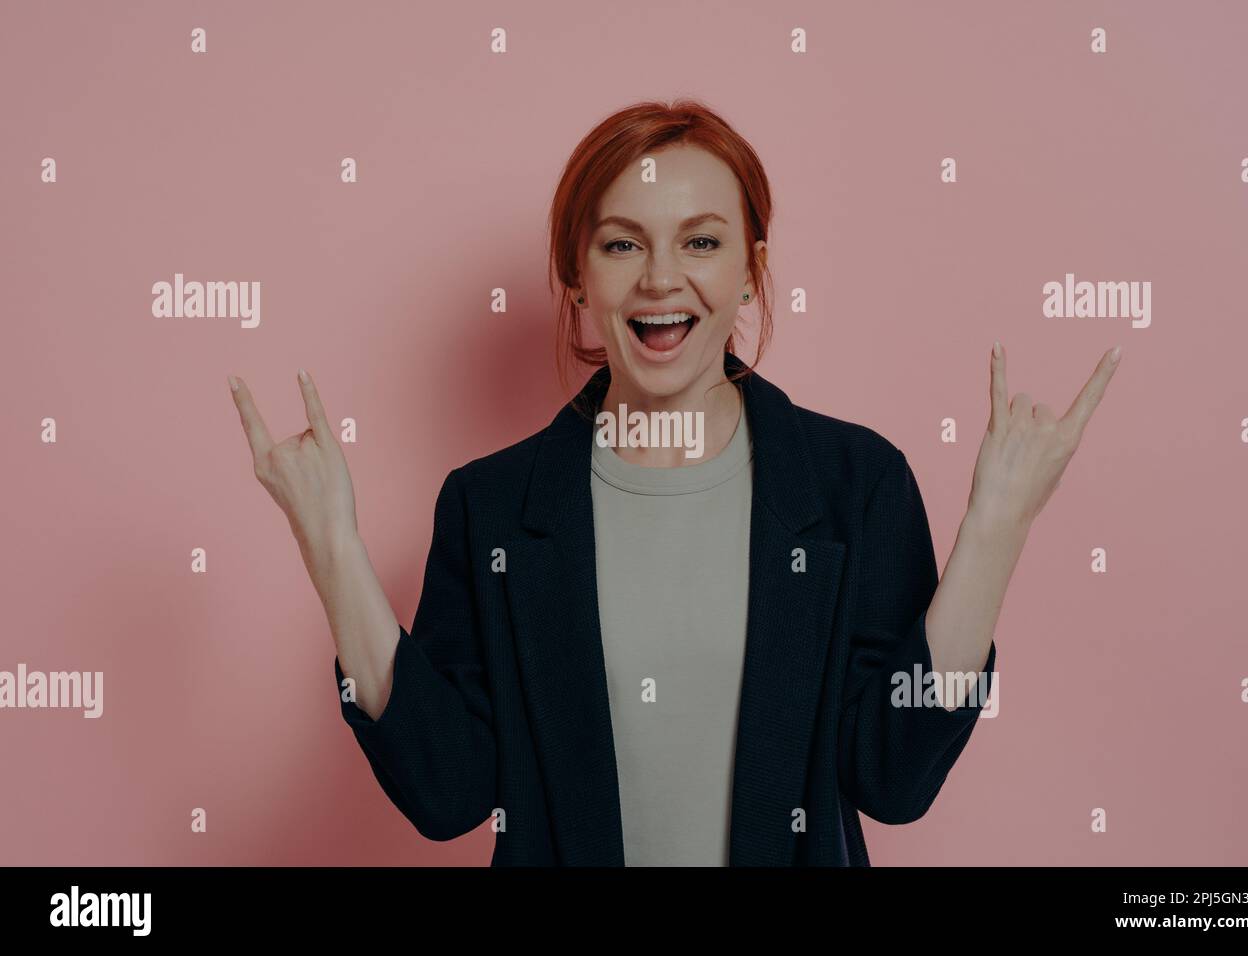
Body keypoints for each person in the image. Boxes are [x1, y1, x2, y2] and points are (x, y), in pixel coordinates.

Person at [228, 99, 1121, 866]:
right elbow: (449, 790)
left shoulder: (858, 485)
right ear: (578, 278)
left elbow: (891, 779)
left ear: (749, 272)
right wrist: (332, 549)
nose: (661, 278)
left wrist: (1000, 525)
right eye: (622, 244)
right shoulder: (490, 505)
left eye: (701, 240)